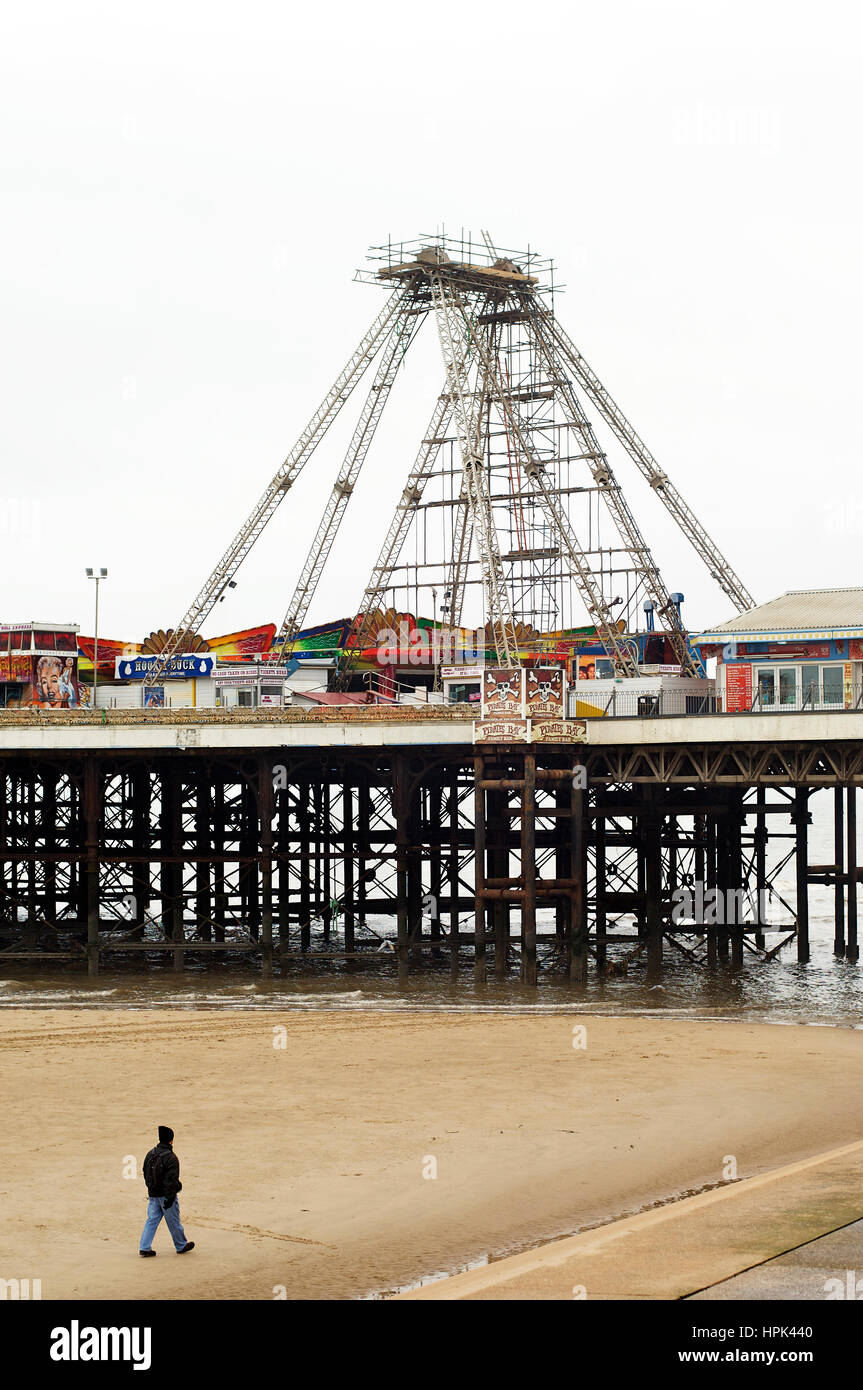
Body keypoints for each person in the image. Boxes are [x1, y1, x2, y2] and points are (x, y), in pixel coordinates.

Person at [139, 1125, 195, 1257]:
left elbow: (144, 1171)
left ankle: (144, 1247)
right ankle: (181, 1245)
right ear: (171, 1140)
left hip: (153, 1194)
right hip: (165, 1196)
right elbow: (171, 1181)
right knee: (174, 1221)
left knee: (151, 1220)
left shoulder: (150, 1153)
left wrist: (151, 1189)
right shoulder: (171, 1157)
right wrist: (170, 1198)